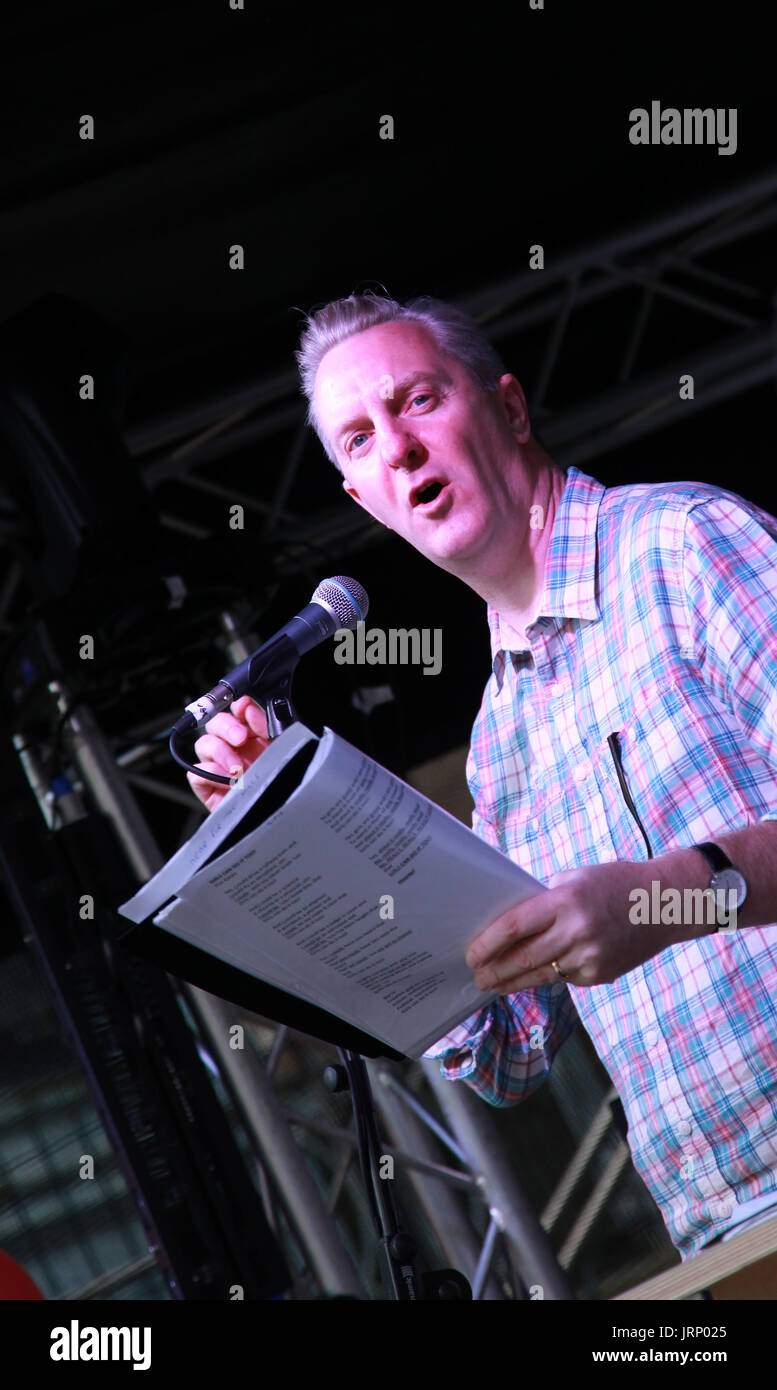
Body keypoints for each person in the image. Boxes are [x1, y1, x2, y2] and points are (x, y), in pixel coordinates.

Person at [186, 291, 777, 1289]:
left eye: (419, 401)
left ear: (506, 409)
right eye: (363, 440)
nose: (400, 450)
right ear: (362, 497)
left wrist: (669, 894)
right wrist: (303, 833)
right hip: (721, 1239)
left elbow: (656, 903)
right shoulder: (500, 741)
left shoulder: (680, 545)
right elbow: (510, 1051)